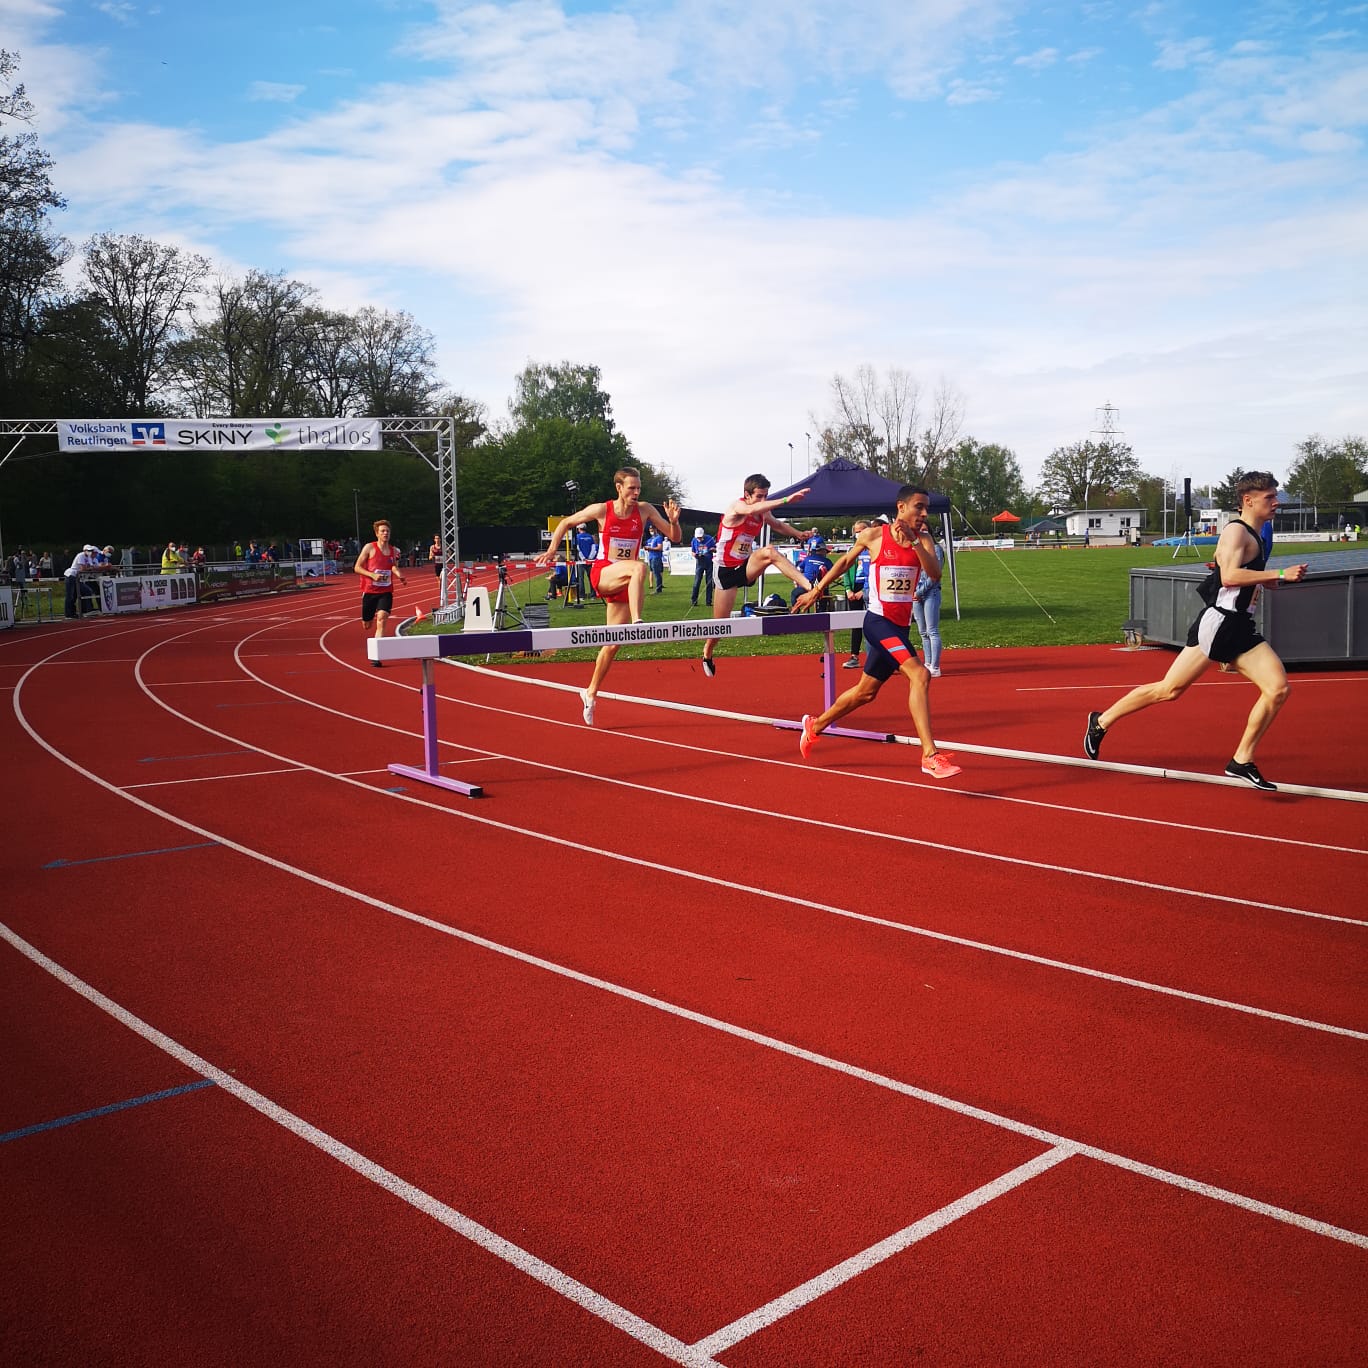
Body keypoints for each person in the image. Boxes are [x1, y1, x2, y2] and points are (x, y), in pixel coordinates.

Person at [1083, 472, 1308, 791]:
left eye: (1276, 496)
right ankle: (1101, 722)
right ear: (1248, 500)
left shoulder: (1259, 533)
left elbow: (1229, 571)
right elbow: (1229, 576)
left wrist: (1264, 579)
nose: (1276, 502)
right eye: (1269, 497)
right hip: (1221, 625)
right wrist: (1281, 573)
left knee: (1178, 689)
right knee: (1177, 690)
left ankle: (1240, 760)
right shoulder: (1235, 532)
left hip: (1237, 624)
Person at [794, 486, 962, 780]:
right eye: (919, 507)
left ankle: (815, 725)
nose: (924, 514)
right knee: (920, 674)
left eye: (927, 509)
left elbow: (934, 574)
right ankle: (930, 756)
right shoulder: (873, 536)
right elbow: (845, 562)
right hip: (877, 622)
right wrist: (816, 591)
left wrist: (916, 545)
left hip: (899, 627)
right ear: (901, 507)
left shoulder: (923, 539)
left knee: (865, 693)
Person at [536, 468, 681, 725]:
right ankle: (638, 624)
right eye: (631, 488)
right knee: (639, 566)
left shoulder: (645, 510)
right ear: (619, 488)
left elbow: (675, 537)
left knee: (612, 643)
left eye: (638, 488)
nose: (636, 493)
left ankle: (590, 692)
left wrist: (673, 521)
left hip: (627, 582)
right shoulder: (603, 510)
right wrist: (551, 549)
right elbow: (565, 523)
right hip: (604, 574)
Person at [700, 474, 818, 678]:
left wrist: (798, 534)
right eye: (760, 496)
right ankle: (708, 651)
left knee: (769, 552)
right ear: (747, 494)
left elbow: (778, 525)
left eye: (766, 496)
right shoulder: (737, 507)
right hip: (725, 571)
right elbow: (751, 509)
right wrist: (786, 500)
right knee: (720, 624)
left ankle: (810, 586)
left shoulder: (762, 512)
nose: (763, 501)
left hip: (745, 566)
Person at [354, 518, 409, 666]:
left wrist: (400, 575)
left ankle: (376, 655)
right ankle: (368, 618)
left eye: (387, 531)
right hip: (370, 591)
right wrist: (372, 575)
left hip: (386, 590)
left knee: (382, 618)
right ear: (377, 533)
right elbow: (357, 567)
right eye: (382, 531)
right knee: (367, 625)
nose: (385, 533)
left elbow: (393, 566)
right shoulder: (369, 548)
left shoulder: (392, 550)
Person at [913, 535, 945, 677]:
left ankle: (935, 666)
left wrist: (919, 592)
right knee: (923, 632)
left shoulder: (936, 549)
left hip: (930, 592)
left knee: (932, 630)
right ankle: (927, 662)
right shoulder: (914, 548)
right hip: (916, 594)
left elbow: (935, 575)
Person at [841, 521, 872, 668]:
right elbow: (845, 570)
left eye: (861, 530)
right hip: (853, 589)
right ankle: (854, 656)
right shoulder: (853, 550)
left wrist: (864, 591)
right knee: (856, 624)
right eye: (856, 531)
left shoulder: (872, 549)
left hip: (867, 590)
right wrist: (848, 589)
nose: (858, 533)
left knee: (872, 625)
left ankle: (874, 658)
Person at [793, 535, 832, 606]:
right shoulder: (827, 561)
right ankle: (822, 612)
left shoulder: (807, 559)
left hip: (804, 587)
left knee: (794, 593)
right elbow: (834, 573)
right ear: (822, 551)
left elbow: (798, 570)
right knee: (825, 594)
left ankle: (795, 613)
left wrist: (796, 582)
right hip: (820, 590)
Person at [689, 526, 715, 607]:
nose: (699, 539)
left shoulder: (710, 538)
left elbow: (715, 548)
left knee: (709, 583)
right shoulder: (694, 540)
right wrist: (695, 555)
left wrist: (712, 549)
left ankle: (708, 601)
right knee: (697, 582)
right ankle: (694, 600)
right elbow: (692, 551)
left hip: (709, 562)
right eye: (698, 537)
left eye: (700, 537)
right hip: (699, 563)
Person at [644, 527, 667, 593]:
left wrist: (650, 548)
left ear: (655, 530)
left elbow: (660, 547)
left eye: (652, 530)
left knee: (657, 573)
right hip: (651, 557)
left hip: (656, 557)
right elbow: (649, 549)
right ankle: (656, 587)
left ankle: (658, 589)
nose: (651, 531)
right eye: (650, 530)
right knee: (652, 572)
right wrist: (646, 548)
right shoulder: (649, 540)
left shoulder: (658, 537)